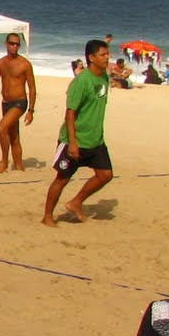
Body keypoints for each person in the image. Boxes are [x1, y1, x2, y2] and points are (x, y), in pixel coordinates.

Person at [42, 39, 114, 227]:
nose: (107, 57)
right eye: (103, 55)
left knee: (105, 175)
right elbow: (70, 113)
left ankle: (76, 202)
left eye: (107, 54)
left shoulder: (104, 77)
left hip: (95, 140)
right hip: (73, 140)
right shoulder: (81, 82)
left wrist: (105, 42)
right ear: (91, 58)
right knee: (62, 179)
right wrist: (72, 143)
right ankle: (47, 217)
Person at [0, 33, 37, 173]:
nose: (15, 46)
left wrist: (31, 111)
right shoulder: (1, 63)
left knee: (2, 128)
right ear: (6, 44)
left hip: (20, 102)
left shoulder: (25, 64)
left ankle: (4, 162)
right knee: (14, 136)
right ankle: (19, 167)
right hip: (6, 103)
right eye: (12, 43)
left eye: (17, 44)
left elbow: (32, 89)